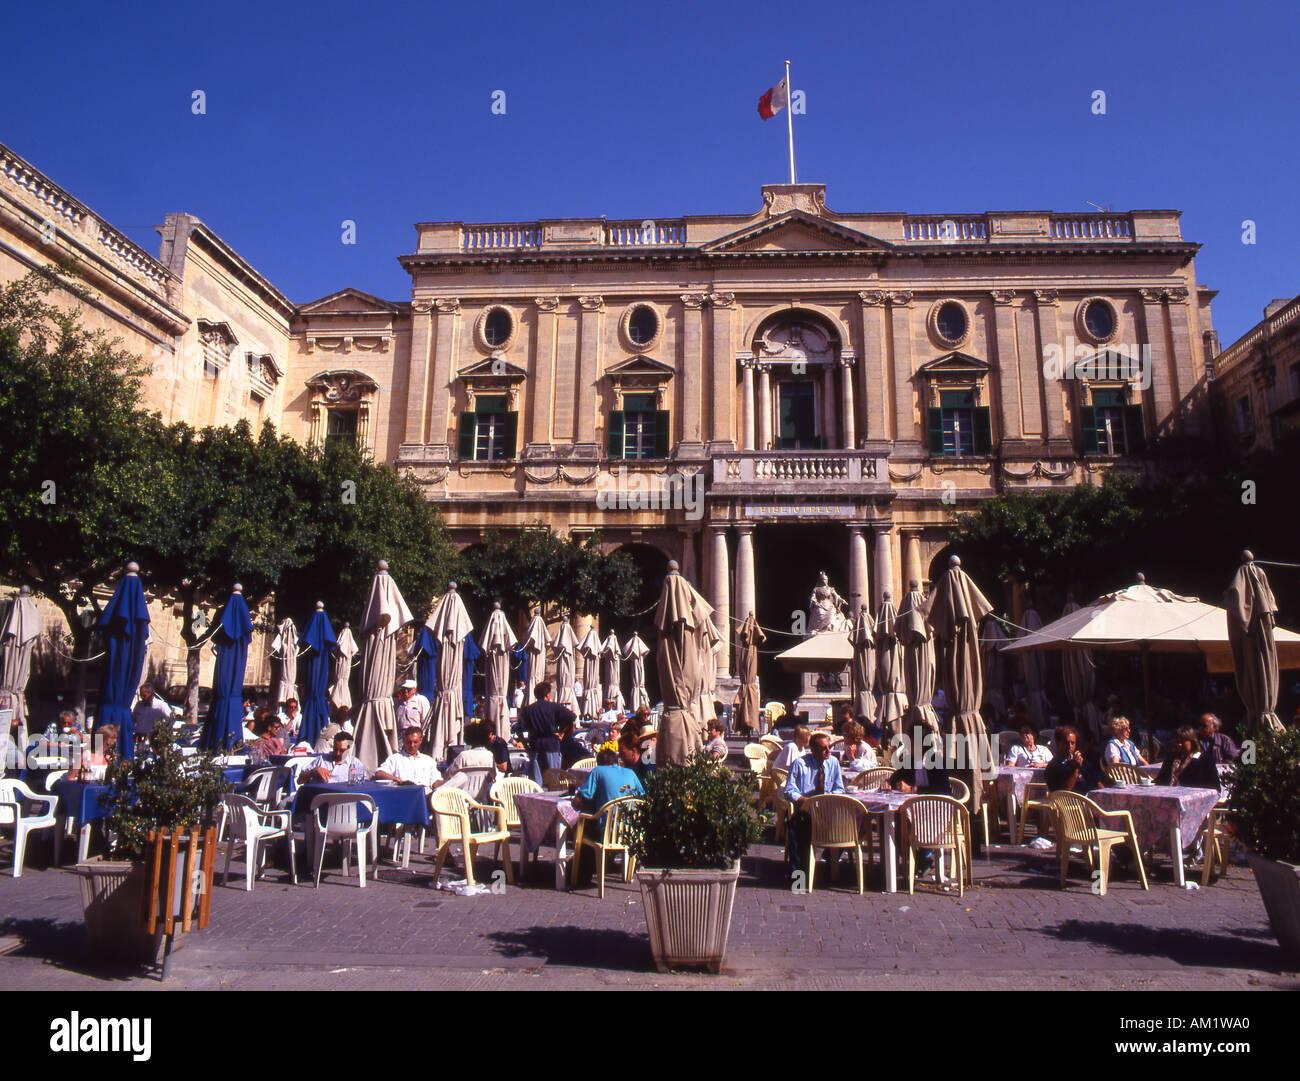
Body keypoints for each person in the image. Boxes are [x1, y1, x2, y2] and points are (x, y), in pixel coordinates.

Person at [782, 732, 845, 879]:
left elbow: (839, 788)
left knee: (852, 821)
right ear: (813, 749)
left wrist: (829, 797)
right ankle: (799, 873)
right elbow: (789, 790)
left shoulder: (833, 762)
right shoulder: (800, 764)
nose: (828, 751)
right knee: (796, 826)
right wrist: (805, 800)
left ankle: (832, 857)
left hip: (828, 809)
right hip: (807, 809)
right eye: (824, 748)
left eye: (829, 747)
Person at [519, 681, 576, 786]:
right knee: (553, 781)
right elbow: (572, 717)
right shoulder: (554, 707)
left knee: (536, 783)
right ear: (547, 694)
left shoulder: (528, 710)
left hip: (535, 745)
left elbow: (518, 728)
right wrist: (561, 733)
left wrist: (525, 744)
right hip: (551, 745)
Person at [572, 747, 644, 821]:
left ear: (598, 763)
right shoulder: (630, 772)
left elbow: (577, 803)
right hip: (631, 826)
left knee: (580, 820)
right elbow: (642, 796)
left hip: (608, 828)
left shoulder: (597, 771)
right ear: (616, 762)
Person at [437, 721, 497, 800]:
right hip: (481, 796)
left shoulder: (464, 755)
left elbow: (448, 774)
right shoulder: (489, 755)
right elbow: (493, 776)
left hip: (461, 796)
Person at [375, 725, 442, 790]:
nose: (412, 745)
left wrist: (449, 780)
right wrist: (397, 779)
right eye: (409, 742)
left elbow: (436, 781)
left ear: (420, 741)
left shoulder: (428, 760)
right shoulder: (395, 758)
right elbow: (379, 773)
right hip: (404, 795)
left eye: (415, 742)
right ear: (404, 741)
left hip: (425, 796)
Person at [1156, 725, 1220, 790]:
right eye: (1177, 741)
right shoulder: (1171, 757)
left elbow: (1214, 786)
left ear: (1192, 742)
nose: (1179, 744)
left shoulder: (1205, 760)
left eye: (1182, 741)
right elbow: (1161, 780)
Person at [1044, 725, 1100, 794]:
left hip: (1091, 798)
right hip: (1071, 802)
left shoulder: (1080, 761)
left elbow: (1097, 781)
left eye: (1072, 743)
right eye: (1066, 743)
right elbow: (1065, 791)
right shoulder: (1053, 766)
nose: (1069, 746)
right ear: (1058, 743)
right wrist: (1075, 769)